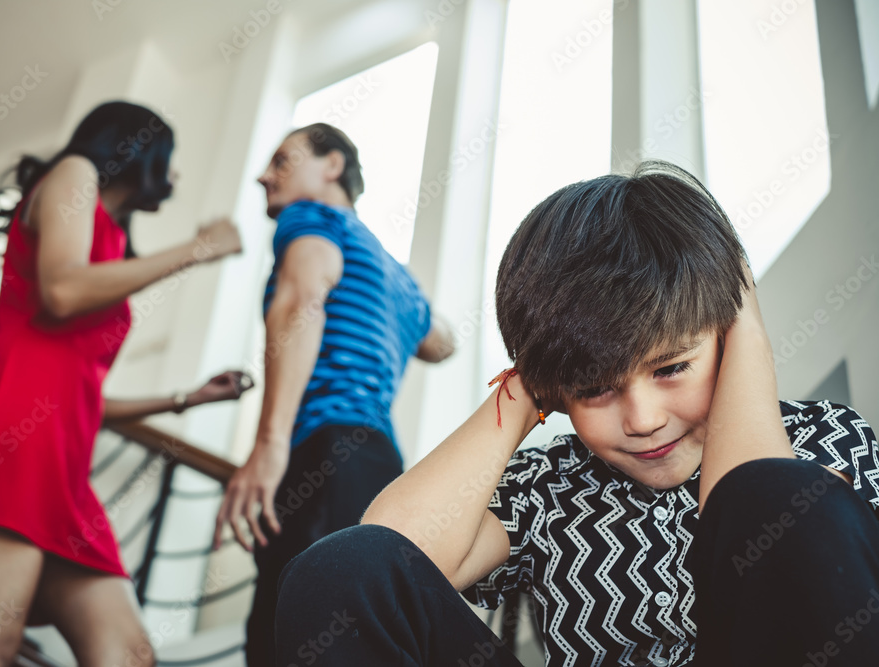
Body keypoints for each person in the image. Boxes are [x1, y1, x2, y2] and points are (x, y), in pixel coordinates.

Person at [274, 161, 879, 666]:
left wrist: (745, 321)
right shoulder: (546, 489)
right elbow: (384, 560)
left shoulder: (825, 438)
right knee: (335, 571)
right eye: (595, 389)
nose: (641, 418)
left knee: (779, 495)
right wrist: (533, 377)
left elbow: (772, 520)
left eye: (671, 369)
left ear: (727, 337)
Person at [0, 101, 251, 667]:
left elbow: (79, 396)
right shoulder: (74, 175)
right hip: (15, 445)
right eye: (171, 157)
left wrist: (185, 399)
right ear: (139, 148)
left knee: (128, 654)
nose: (177, 175)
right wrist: (197, 251)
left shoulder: (114, 240)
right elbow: (63, 291)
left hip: (63, 468)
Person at [211, 123, 455, 666]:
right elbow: (441, 343)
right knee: (356, 632)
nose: (262, 175)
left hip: (321, 450)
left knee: (288, 635)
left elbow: (301, 302)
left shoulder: (312, 218)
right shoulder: (397, 276)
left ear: (333, 166)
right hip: (378, 464)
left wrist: (270, 443)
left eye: (281, 160)